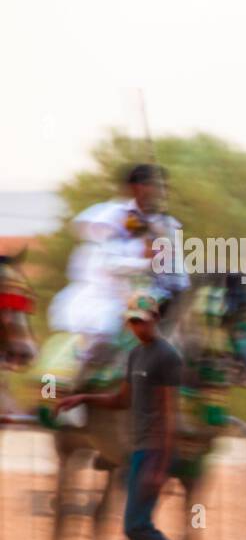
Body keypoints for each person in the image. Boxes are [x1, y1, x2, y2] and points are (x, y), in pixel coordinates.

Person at [54, 294, 224, 540]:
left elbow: (169, 413)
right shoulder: (135, 356)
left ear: (155, 319)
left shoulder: (167, 357)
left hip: (155, 451)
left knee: (136, 526)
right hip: (138, 450)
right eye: (132, 320)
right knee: (137, 526)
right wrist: (82, 397)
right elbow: (122, 399)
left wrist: (160, 465)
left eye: (142, 320)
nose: (137, 325)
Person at [48, 164, 189, 389]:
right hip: (107, 292)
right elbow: (107, 262)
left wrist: (180, 289)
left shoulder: (168, 225)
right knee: (107, 329)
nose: (163, 193)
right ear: (138, 188)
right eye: (157, 186)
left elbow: (178, 269)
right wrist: (146, 261)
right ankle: (70, 388)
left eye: (165, 187)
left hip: (156, 294)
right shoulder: (110, 217)